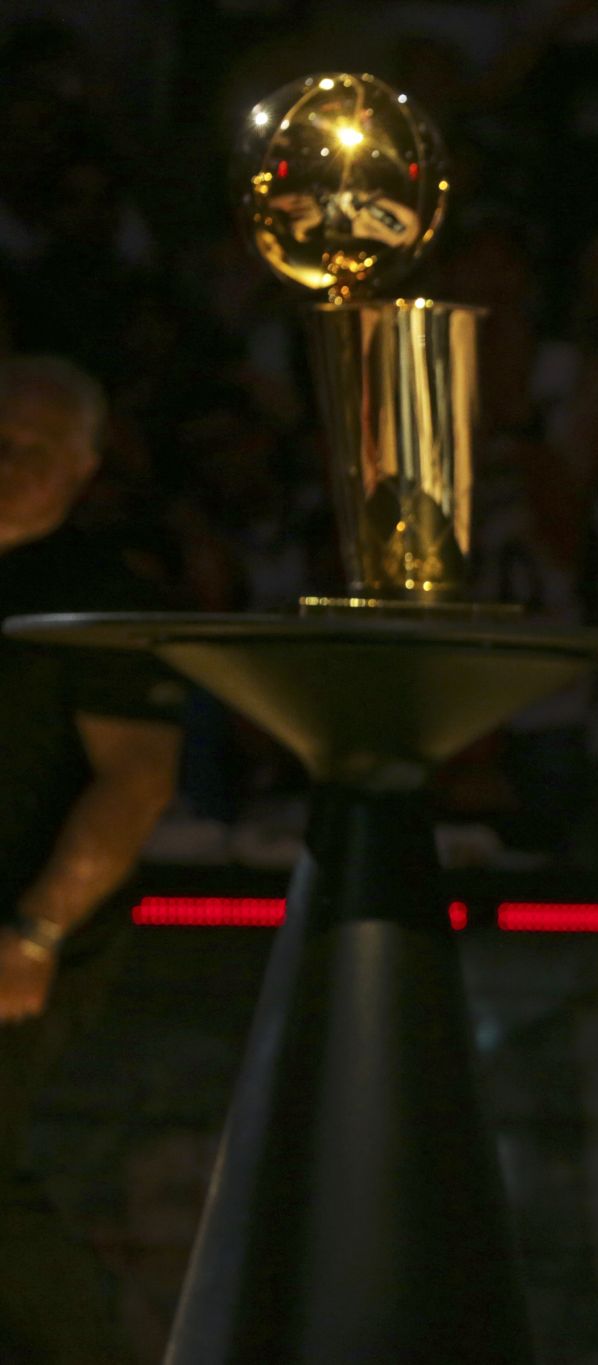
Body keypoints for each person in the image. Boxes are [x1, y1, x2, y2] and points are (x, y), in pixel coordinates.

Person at [0, 356, 182, 1364]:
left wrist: (35, 930)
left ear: (80, 469)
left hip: (23, 936)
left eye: (33, 449)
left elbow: (135, 781)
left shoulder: (93, 600)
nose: (7, 464)